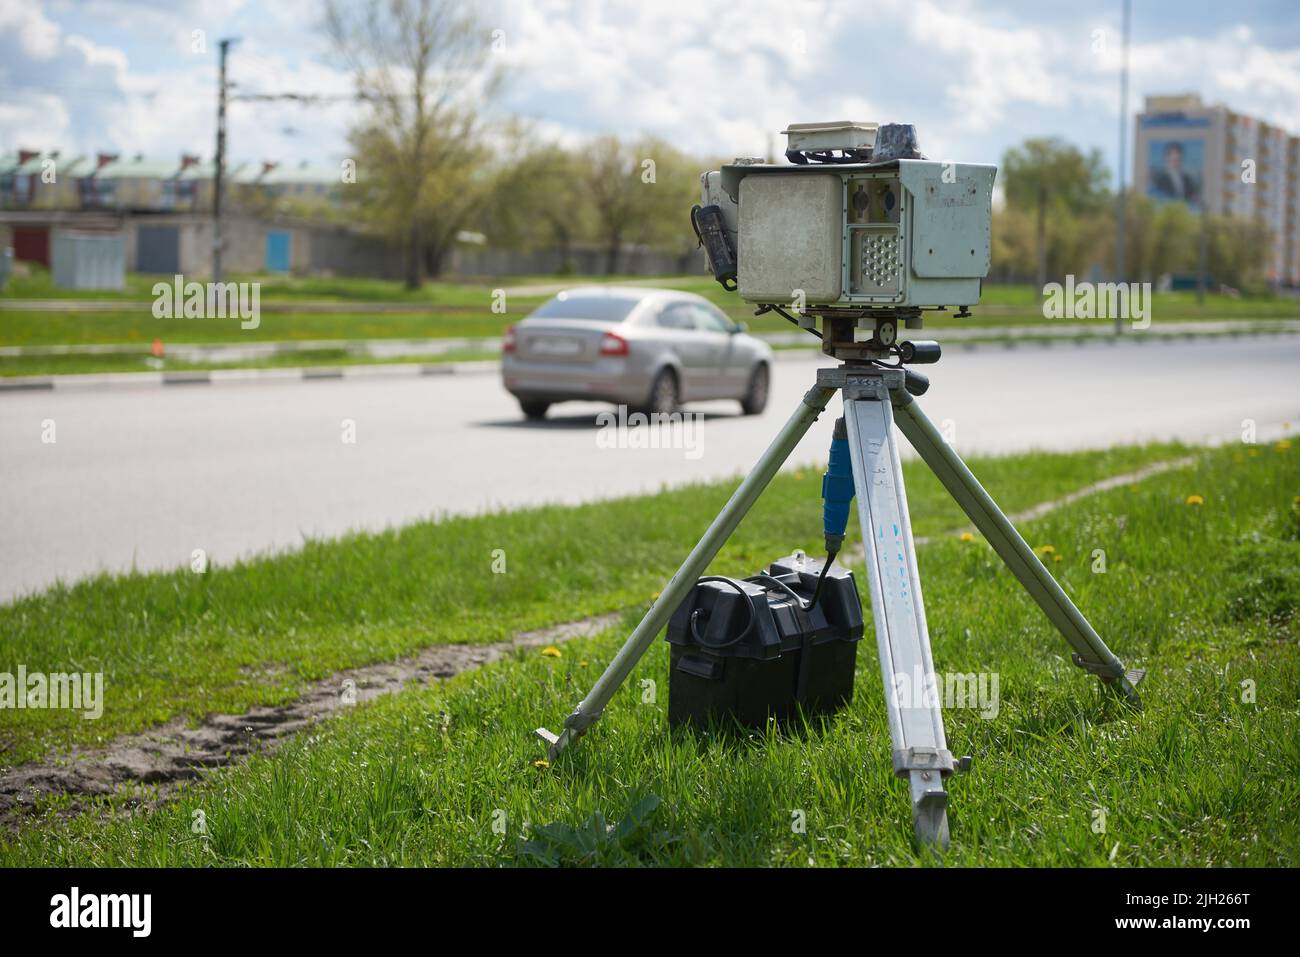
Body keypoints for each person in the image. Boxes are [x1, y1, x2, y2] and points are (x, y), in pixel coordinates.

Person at [1149, 141, 1201, 207]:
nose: (1176, 158)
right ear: (1166, 157)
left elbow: (1193, 195)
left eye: (1178, 155)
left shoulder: (1186, 178)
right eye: (1173, 155)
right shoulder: (1159, 178)